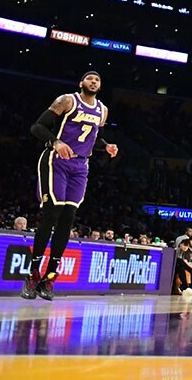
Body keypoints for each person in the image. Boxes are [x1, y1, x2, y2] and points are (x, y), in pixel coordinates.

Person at [20, 71, 118, 301]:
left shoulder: (102, 110)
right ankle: (33, 273)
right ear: (81, 83)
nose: (94, 81)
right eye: (90, 78)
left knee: (68, 218)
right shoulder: (67, 100)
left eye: (97, 79)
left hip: (80, 166)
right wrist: (56, 141)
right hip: (57, 161)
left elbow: (94, 138)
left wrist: (107, 146)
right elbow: (37, 127)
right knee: (51, 213)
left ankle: (50, 277)